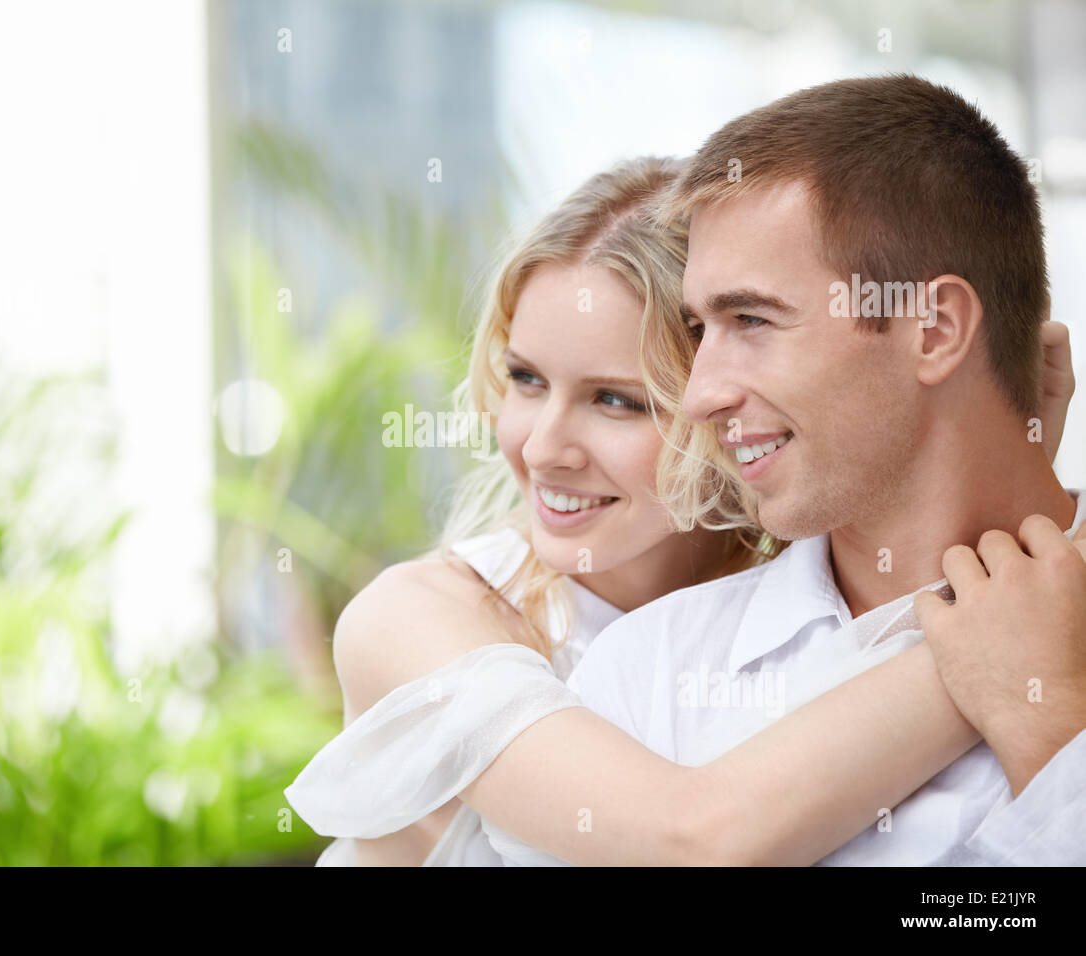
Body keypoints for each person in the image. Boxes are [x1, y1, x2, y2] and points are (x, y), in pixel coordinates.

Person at [284, 150, 1081, 865]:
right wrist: (1015, 627)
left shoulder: (792, 597)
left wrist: (984, 452)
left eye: (617, 402)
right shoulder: (419, 620)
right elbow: (693, 838)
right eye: (525, 379)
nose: (541, 446)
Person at [523, 74, 1086, 866]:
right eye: (699, 327)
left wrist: (1056, 740)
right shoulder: (648, 673)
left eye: (751, 319)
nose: (700, 395)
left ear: (933, 330)